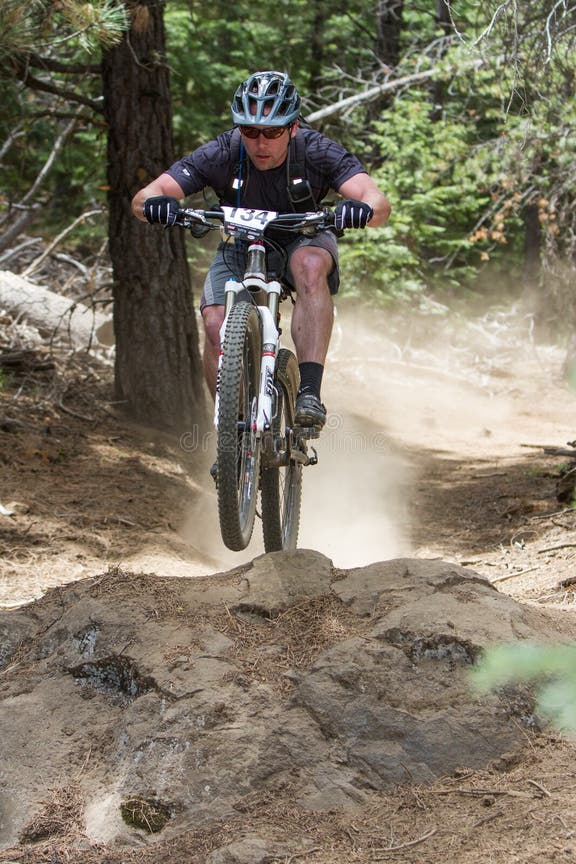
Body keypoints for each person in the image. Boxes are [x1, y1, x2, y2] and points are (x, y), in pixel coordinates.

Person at [132, 70, 391, 430]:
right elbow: (145, 196)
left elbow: (377, 201)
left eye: (272, 132)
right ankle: (231, 430)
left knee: (311, 266)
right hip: (242, 243)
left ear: (293, 128)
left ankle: (310, 394)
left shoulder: (316, 151)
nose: (260, 142)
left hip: (303, 236)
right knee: (213, 322)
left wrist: (359, 209)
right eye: (250, 131)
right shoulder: (223, 151)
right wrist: (157, 205)